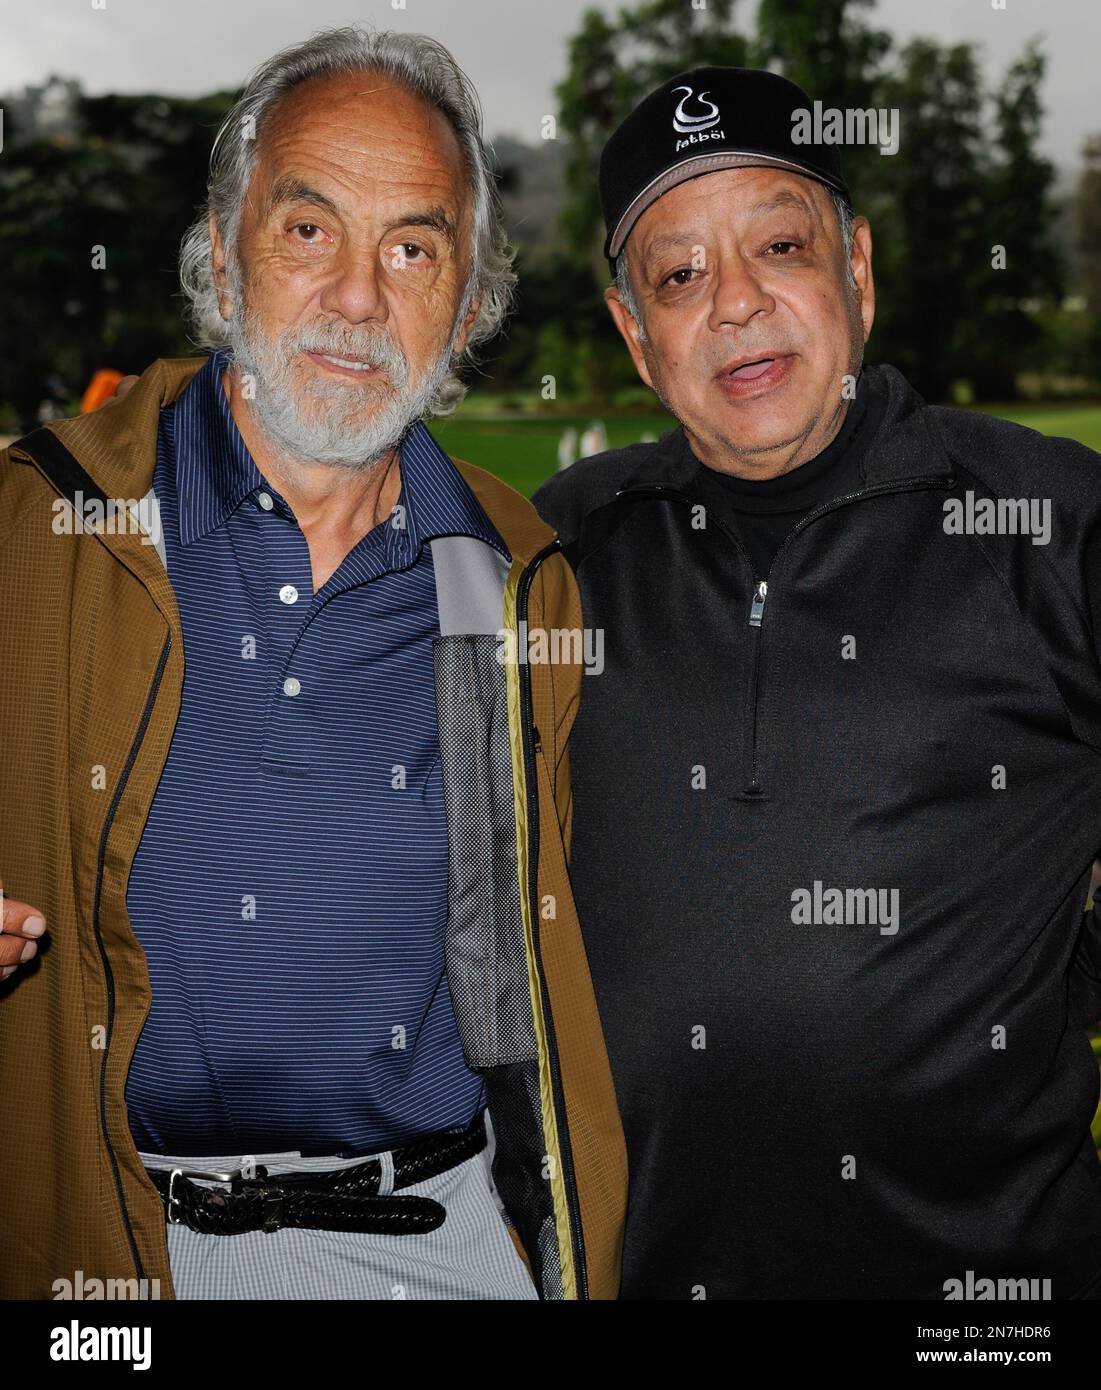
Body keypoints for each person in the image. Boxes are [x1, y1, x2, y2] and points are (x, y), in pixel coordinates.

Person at [0, 26, 626, 1301]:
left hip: (440, 1248)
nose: (357, 296)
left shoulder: (522, 585)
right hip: (108, 1260)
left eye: (413, 246)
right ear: (223, 258)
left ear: (470, 301)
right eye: (309, 230)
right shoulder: (35, 529)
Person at [533, 65, 1101, 1299]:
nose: (734, 302)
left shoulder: (1045, 522)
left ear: (859, 268)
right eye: (679, 274)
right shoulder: (553, 555)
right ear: (637, 335)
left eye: (778, 244)